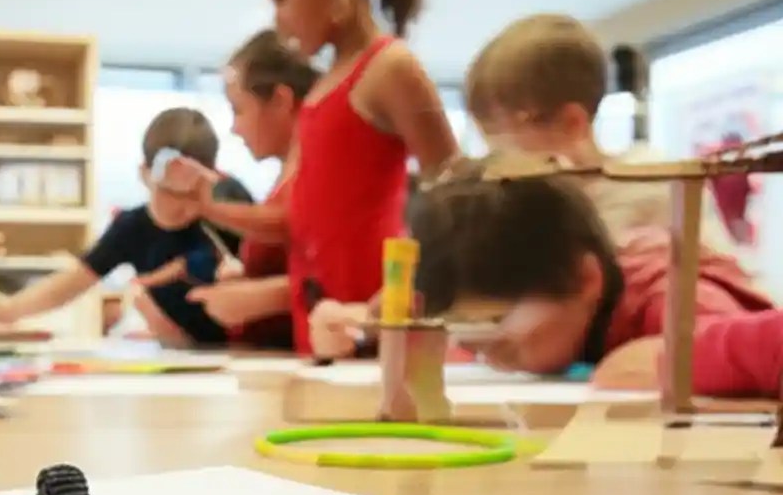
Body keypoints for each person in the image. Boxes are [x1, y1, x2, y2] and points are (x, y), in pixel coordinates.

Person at [156, 0, 460, 355]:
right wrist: (206, 206)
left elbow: (459, 208)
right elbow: (294, 221)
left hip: (372, 337)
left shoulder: (390, 68)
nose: (278, 19)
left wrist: (385, 304)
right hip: (323, 338)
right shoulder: (320, 94)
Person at [315, 158, 782, 399]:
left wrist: (674, 362)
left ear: (584, 279)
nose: (486, 350)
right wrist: (360, 331)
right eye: (470, 335)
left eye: (495, 325)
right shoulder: (547, 297)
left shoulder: (672, 293)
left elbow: (748, 353)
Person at [463, 12, 738, 254]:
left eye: (505, 151)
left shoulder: (651, 187)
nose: (500, 167)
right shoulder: (543, 203)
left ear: (571, 124)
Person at [0, 107, 253, 346]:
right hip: (184, 353)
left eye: (191, 195)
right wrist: (9, 311)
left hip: (241, 351)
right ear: (144, 174)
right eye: (166, 192)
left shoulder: (230, 210)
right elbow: (73, 282)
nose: (178, 205)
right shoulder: (131, 228)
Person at [138, 29, 319, 351]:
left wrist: (261, 296)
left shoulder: (317, 173)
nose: (234, 128)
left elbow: (333, 276)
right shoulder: (287, 180)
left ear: (280, 101)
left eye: (238, 110)